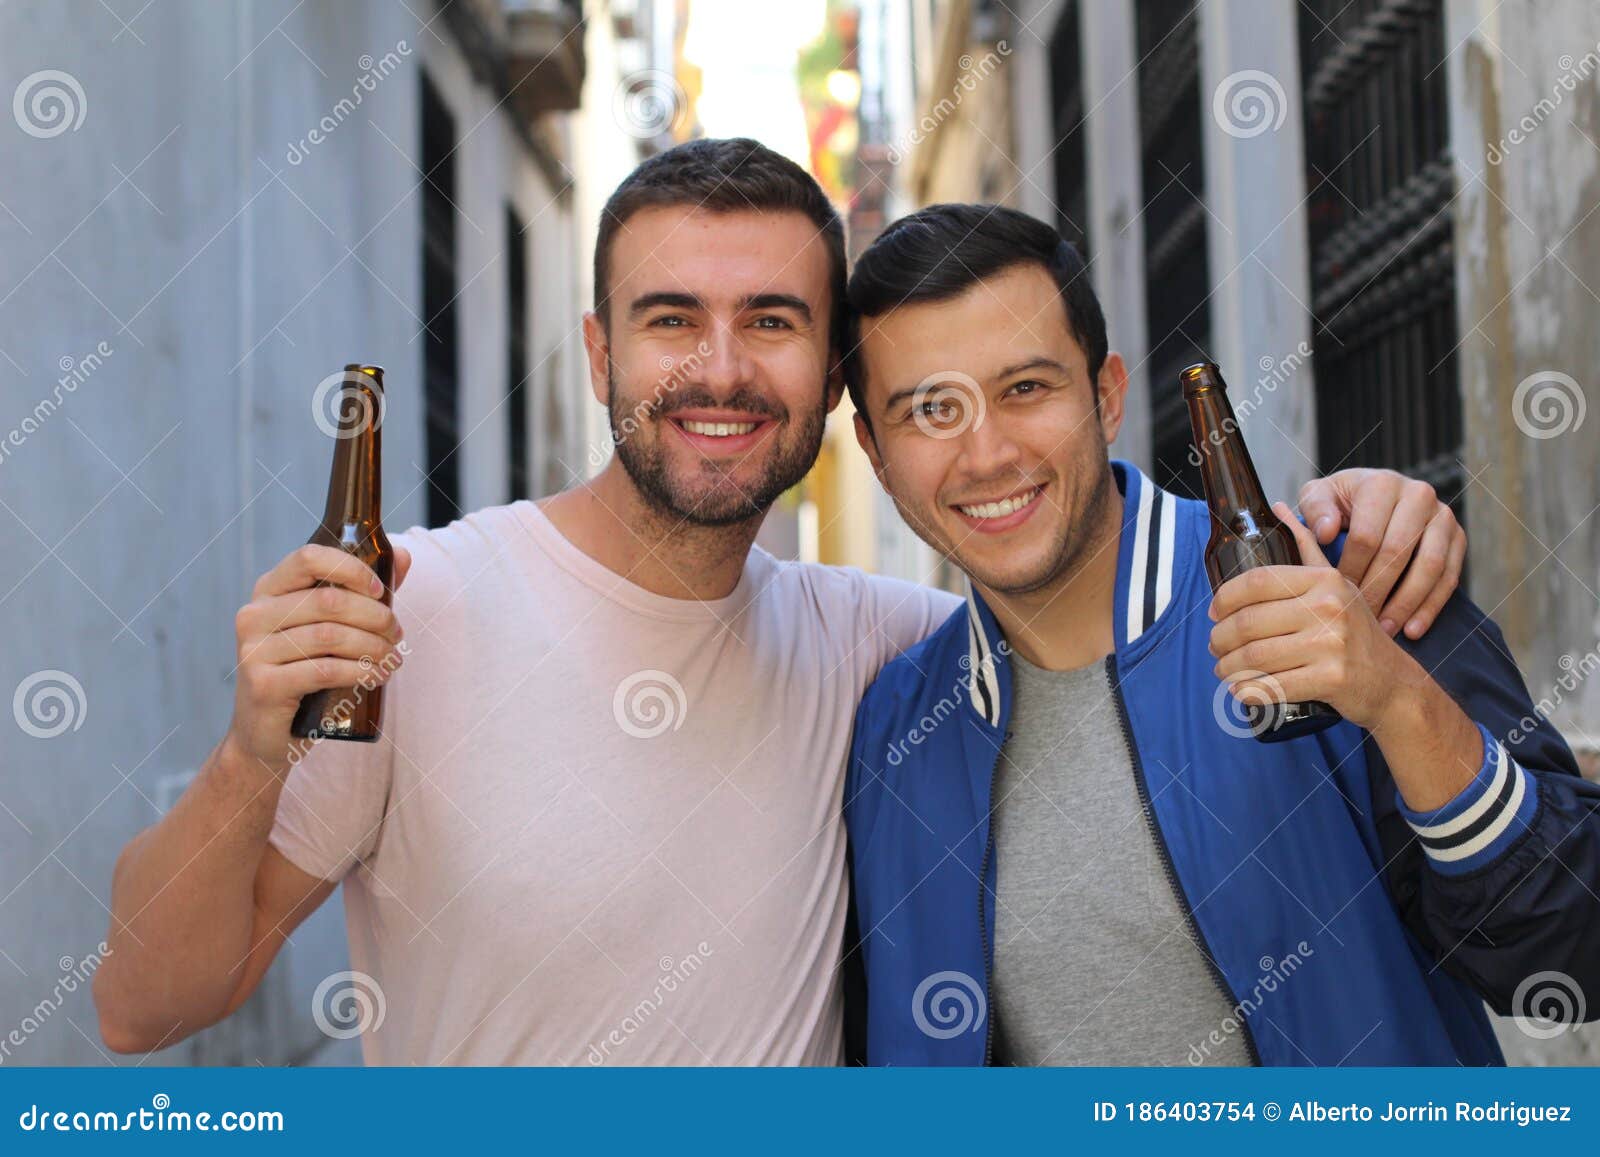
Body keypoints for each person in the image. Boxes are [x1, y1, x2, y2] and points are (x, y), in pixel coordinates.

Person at [92, 141, 1465, 1065]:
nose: (720, 368)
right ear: (599, 351)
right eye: (672, 318)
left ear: (833, 385)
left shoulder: (883, 650)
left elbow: (1095, 600)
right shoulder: (415, 612)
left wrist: (1351, 515)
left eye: (773, 320)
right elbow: (144, 1000)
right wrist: (246, 758)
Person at [841, 202, 1600, 1066]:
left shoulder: (1338, 582)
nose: (985, 456)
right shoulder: (890, 736)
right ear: (873, 448)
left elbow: (1570, 947)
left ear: (1107, 393)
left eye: (1026, 388)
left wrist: (1397, 699)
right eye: (929, 411)